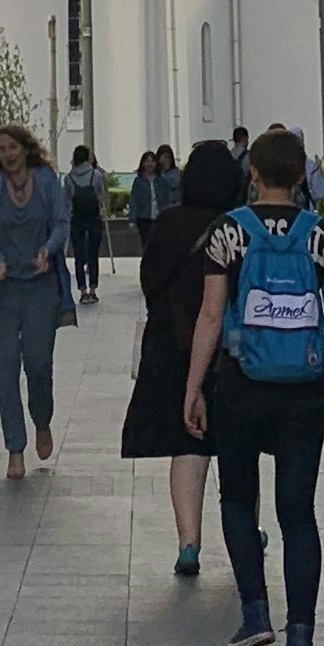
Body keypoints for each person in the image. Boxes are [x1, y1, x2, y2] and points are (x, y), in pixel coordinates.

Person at [182, 127, 324, 646]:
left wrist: (194, 386)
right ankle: (301, 635)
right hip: (304, 389)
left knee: (237, 497)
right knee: (297, 511)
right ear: (302, 175)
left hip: (240, 384)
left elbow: (211, 315)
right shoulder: (320, 236)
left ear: (252, 172)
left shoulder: (227, 233)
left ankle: (256, 612)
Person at [121, 137, 231, 572]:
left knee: (187, 442)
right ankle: (247, 526)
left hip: (172, 343)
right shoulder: (237, 225)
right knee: (236, 444)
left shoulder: (168, 224)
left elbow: (149, 282)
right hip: (228, 347)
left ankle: (189, 541)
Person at [0, 121, 74, 479]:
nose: (8, 155)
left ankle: (42, 419)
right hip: (2, 289)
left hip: (40, 286)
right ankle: (14, 449)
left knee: (37, 365)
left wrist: (49, 249)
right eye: (2, 150)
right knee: (5, 371)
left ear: (25, 148)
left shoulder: (47, 181)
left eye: (13, 148)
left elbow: (61, 223)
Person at [65, 140, 110, 300]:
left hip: (77, 219)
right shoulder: (96, 175)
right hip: (93, 218)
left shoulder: (69, 178)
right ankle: (93, 290)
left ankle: (82, 291)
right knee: (93, 254)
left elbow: (68, 201)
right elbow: (101, 197)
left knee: (78, 255)